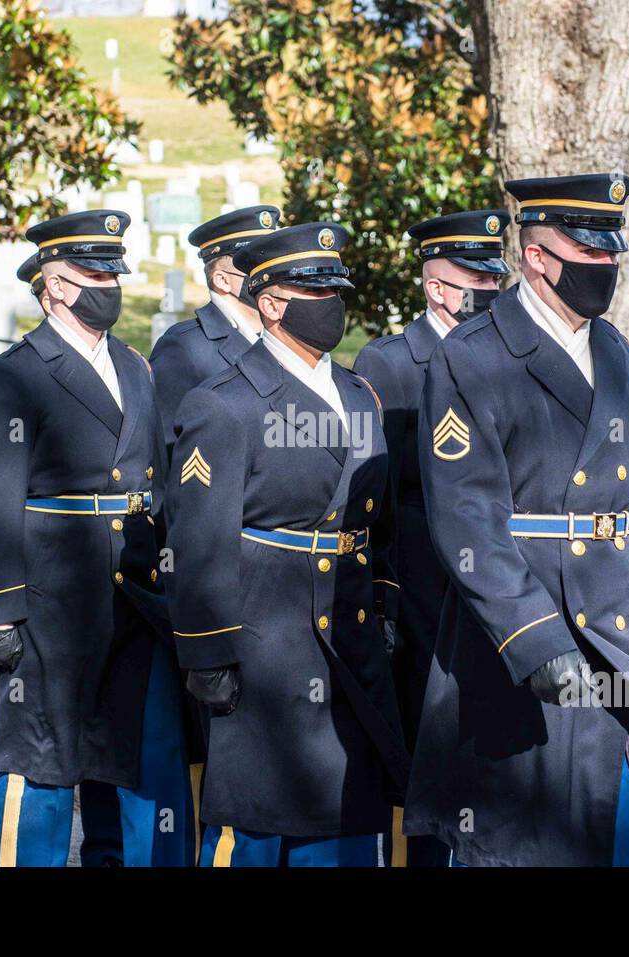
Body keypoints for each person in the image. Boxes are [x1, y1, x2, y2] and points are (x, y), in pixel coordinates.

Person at [405, 173, 629, 866]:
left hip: (627, 634)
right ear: (538, 257)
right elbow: (467, 518)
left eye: (611, 251)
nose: (608, 265)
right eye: (590, 252)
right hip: (530, 646)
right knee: (535, 845)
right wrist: (533, 638)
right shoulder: (470, 356)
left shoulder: (620, 356)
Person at [166, 222, 409, 866]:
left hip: (349, 631)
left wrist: (383, 599)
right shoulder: (224, 403)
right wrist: (207, 653)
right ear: (271, 302)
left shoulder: (358, 392)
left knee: (351, 808)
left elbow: (375, 519)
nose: (331, 303)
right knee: (256, 818)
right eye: (313, 289)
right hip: (266, 637)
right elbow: (199, 539)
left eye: (336, 288)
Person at [0, 210, 196, 866]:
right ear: (53, 286)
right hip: (51, 596)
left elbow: (154, 477)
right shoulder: (16, 373)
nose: (109, 284)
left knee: (137, 759)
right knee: (42, 762)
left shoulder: (133, 365)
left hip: (132, 595)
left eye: (112, 271)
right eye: (92, 273)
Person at [352, 209, 508, 866]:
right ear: (437, 288)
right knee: (424, 764)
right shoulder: (388, 363)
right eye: (473, 278)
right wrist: (383, 593)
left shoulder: (509, 355)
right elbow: (373, 499)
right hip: (420, 593)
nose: (488, 291)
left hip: (500, 592)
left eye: (493, 276)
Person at [150, 205, 280, 462]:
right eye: (254, 264)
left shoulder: (283, 334)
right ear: (222, 280)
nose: (270, 272)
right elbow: (165, 450)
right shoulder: (184, 348)